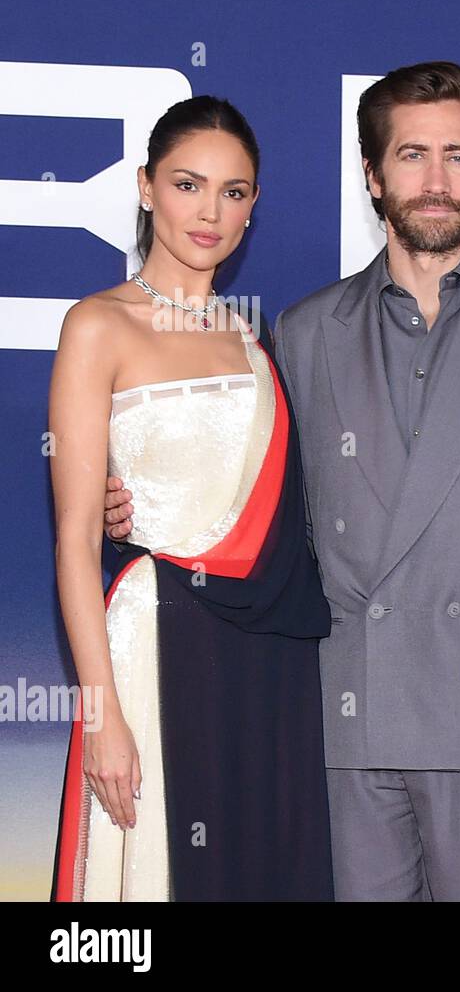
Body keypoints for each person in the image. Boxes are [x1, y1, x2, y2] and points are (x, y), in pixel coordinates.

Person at [108, 62, 460, 900]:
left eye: (458, 157)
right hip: (346, 719)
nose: (434, 180)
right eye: (411, 154)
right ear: (372, 175)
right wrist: (139, 500)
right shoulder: (306, 331)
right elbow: (264, 500)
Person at [51, 96, 333, 900]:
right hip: (153, 646)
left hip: (271, 655)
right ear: (145, 187)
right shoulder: (97, 326)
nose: (211, 211)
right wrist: (101, 712)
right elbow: (75, 539)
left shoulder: (256, 338)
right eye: (187, 184)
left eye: (235, 191)